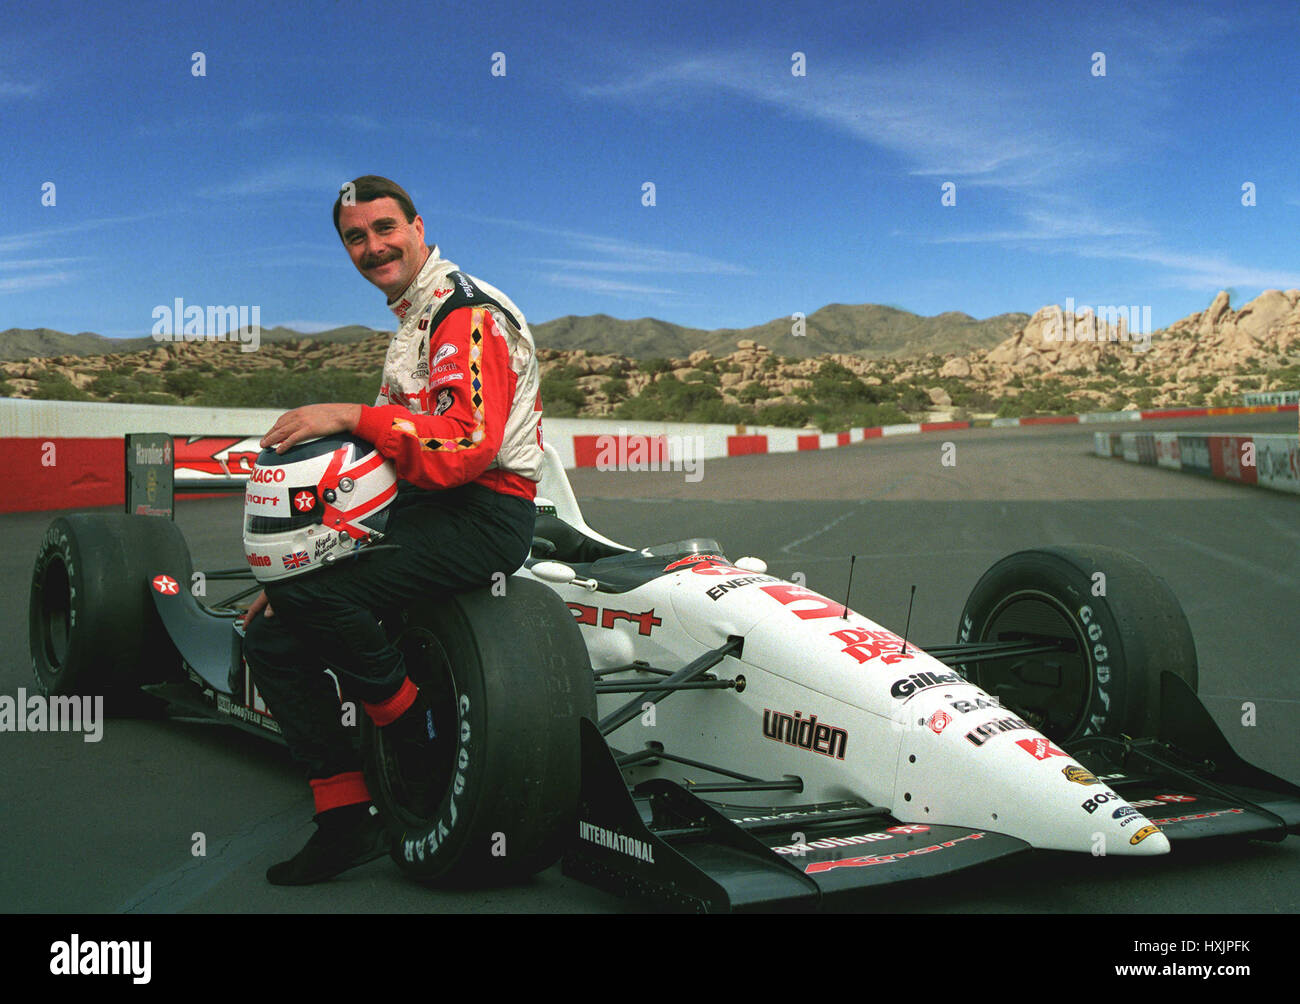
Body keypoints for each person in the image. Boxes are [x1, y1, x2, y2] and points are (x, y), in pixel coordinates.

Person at [241, 175, 544, 885]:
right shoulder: (415, 318)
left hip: (484, 514)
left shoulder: (462, 313)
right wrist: (296, 567)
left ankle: (410, 732)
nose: (373, 246)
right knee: (273, 629)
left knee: (314, 596)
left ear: (418, 226)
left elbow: (463, 446)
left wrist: (348, 414)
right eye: (355, 237)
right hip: (428, 510)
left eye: (385, 228)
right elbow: (393, 466)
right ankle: (345, 818)